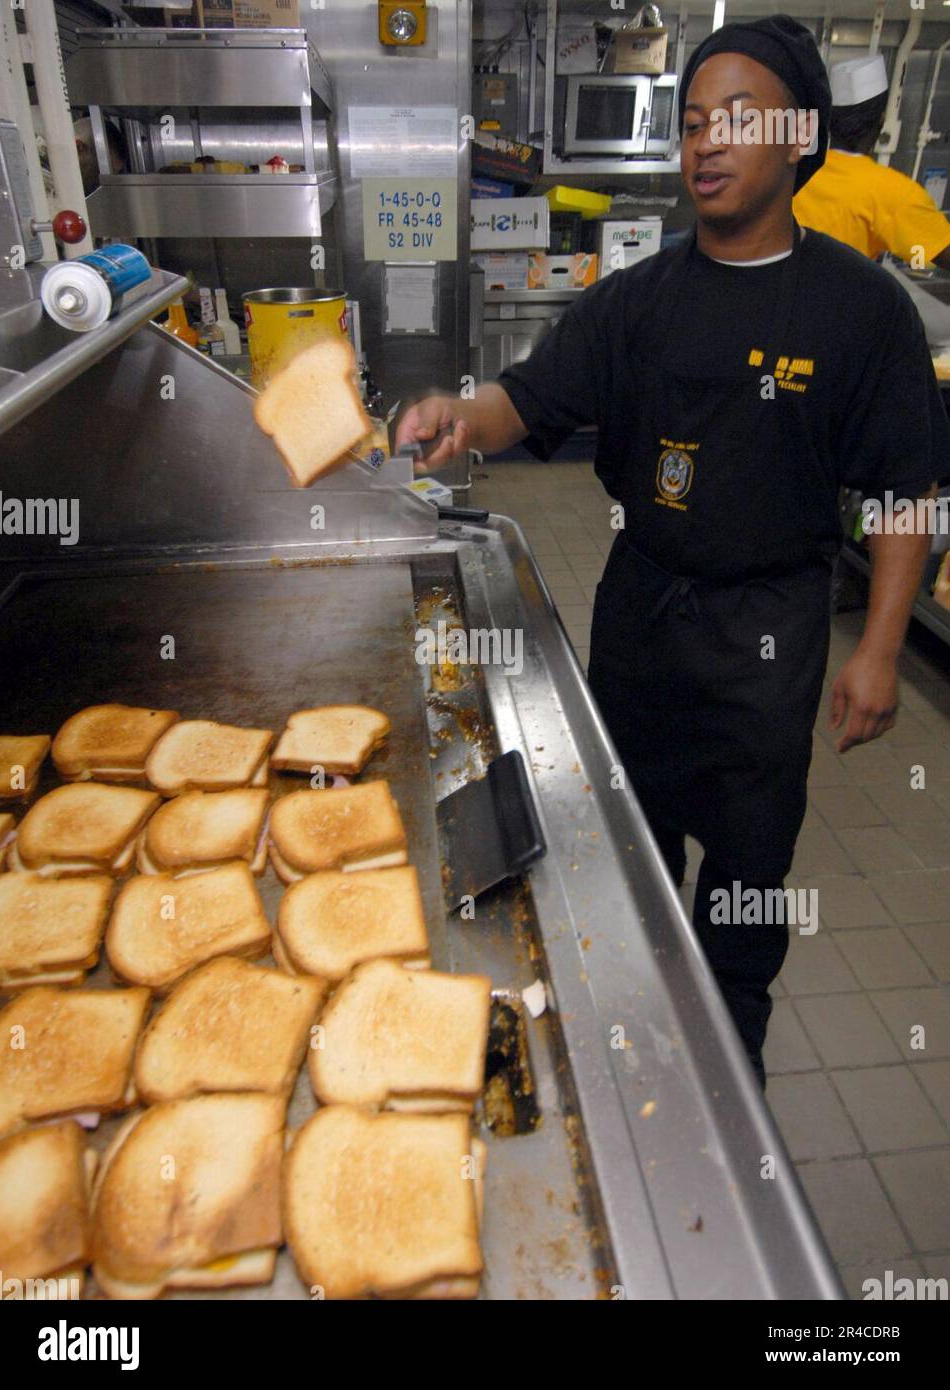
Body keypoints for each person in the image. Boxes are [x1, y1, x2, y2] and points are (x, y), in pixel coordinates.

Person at [397, 16, 949, 1087]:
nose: (704, 143)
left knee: (740, 891)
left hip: (770, 633)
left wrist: (878, 647)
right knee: (625, 860)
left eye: (735, 120)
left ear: (798, 136)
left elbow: (902, 492)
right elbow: (527, 398)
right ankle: (631, 1071)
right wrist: (460, 413)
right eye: (692, 122)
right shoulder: (637, 299)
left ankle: (725, 1081)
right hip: (642, 615)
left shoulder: (856, 310)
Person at [794, 54, 950, 269]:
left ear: (828, 119)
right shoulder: (891, 191)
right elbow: (935, 255)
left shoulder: (794, 168)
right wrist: (914, 256)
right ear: (881, 120)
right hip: (844, 298)